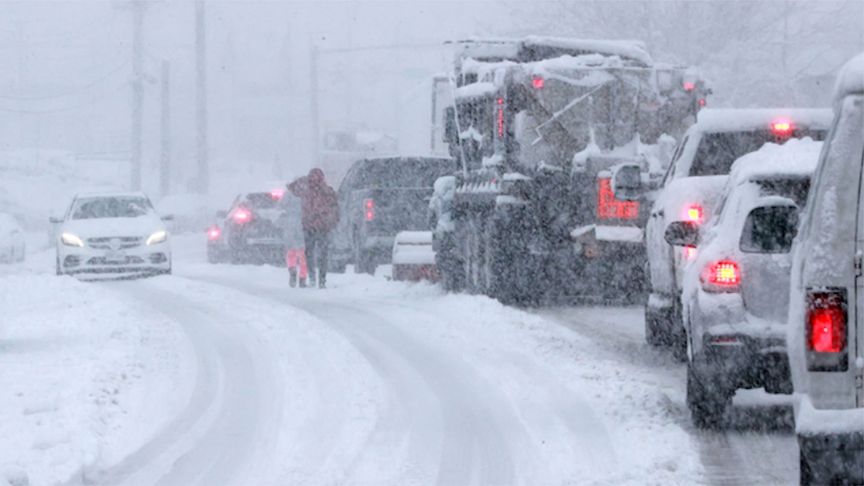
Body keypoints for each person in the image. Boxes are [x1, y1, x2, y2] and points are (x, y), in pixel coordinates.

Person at [287, 168, 339, 288]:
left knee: (311, 254)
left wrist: (302, 180)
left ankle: (314, 278)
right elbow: (335, 208)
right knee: (320, 255)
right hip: (321, 227)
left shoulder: (307, 190)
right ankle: (321, 280)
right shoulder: (326, 191)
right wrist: (332, 221)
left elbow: (291, 187)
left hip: (311, 226)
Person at [278, 192, 308, 287]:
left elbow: (280, 206)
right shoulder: (307, 193)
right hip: (303, 223)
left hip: (290, 224)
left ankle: (292, 269)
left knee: (291, 251)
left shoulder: (289, 194)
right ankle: (302, 278)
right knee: (303, 254)